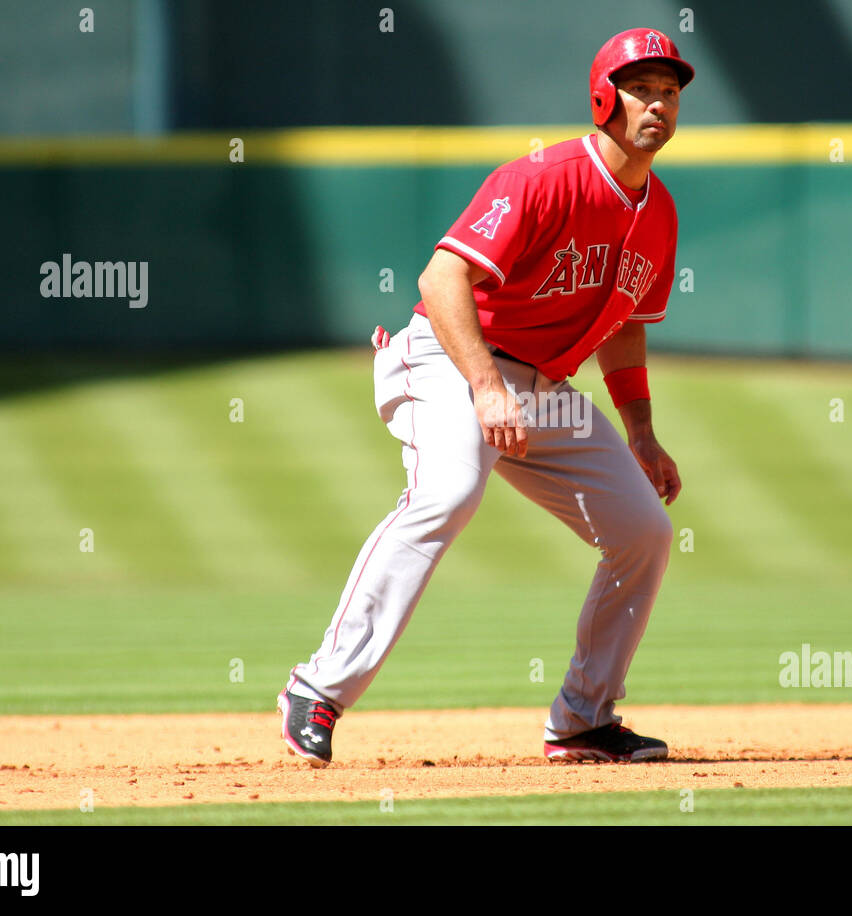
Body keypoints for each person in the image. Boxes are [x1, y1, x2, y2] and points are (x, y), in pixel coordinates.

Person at [278, 27, 693, 765]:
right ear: (605, 98)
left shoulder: (657, 213)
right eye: (641, 89)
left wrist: (642, 432)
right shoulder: (542, 178)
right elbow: (441, 282)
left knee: (644, 532)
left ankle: (582, 719)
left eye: (669, 91)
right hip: (446, 356)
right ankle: (317, 688)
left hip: (540, 387)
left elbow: (624, 329)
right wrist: (485, 386)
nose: (657, 104)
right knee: (450, 491)